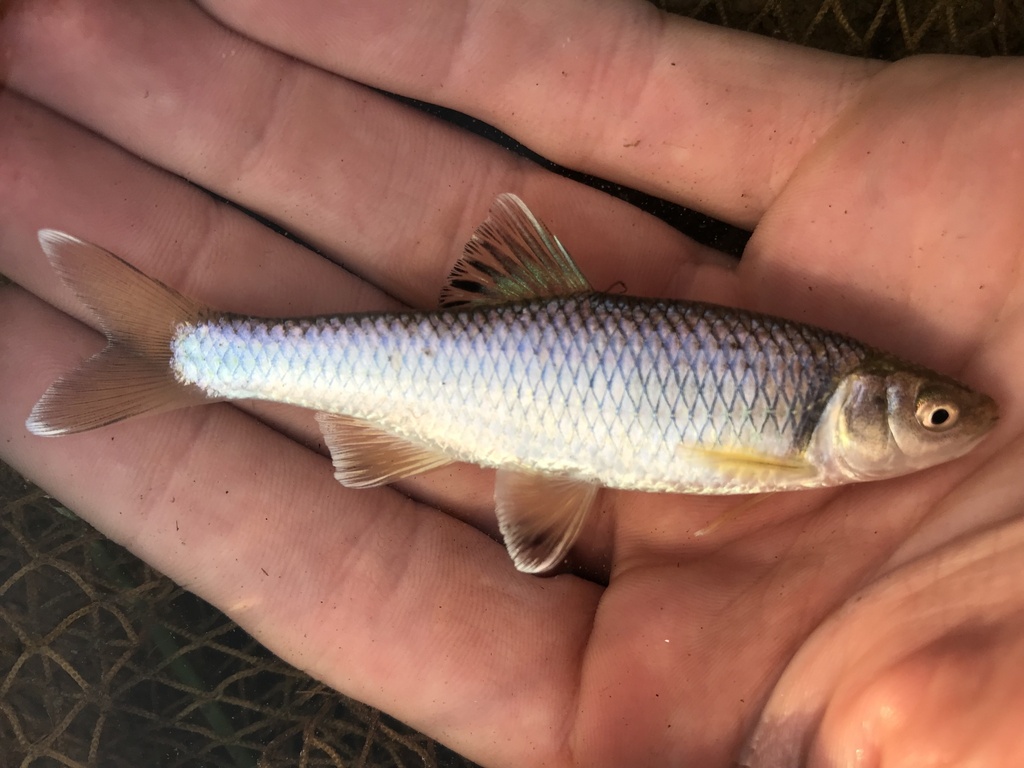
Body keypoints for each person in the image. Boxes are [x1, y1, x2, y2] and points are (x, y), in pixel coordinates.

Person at [1, 1, 1021, 765]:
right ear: (866, 406)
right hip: (507, 390)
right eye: (933, 415)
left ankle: (185, 358)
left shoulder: (815, 403)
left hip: (507, 396)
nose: (946, 424)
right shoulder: (800, 431)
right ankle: (188, 356)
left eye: (935, 414)